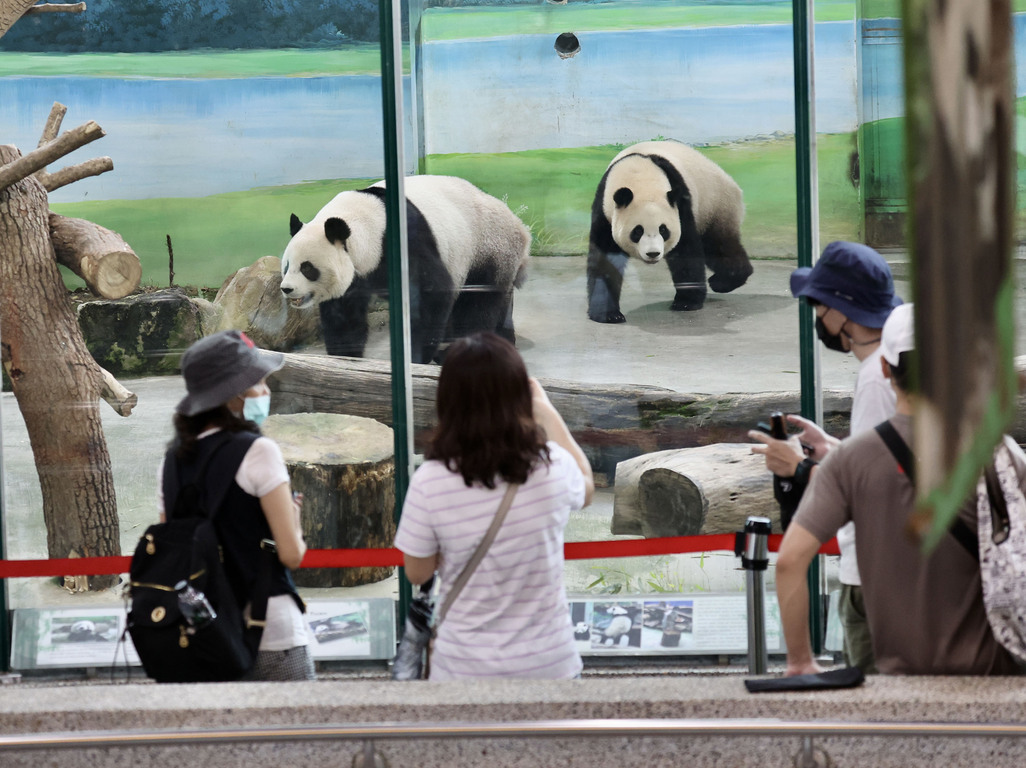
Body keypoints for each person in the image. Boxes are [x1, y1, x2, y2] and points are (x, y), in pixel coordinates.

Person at [776, 304, 1023, 675]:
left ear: (884, 367)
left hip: (896, 684)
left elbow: (789, 561)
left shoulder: (849, 461)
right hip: (990, 678)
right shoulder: (1000, 455)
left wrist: (800, 662)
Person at [394, 331, 595, 680]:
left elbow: (417, 573)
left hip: (464, 668)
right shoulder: (552, 466)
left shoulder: (430, 480)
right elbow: (587, 486)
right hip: (549, 664)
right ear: (520, 395)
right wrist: (547, 412)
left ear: (448, 400)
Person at [749, 240, 902, 673]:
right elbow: (893, 463)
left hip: (873, 579)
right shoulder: (893, 365)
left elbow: (873, 493)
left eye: (817, 305)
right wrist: (836, 451)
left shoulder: (876, 377)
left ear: (841, 310)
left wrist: (799, 469)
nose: (816, 316)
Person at [158, 330, 314, 681]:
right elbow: (291, 555)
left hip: (206, 633)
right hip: (269, 632)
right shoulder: (259, 451)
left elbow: (175, 551)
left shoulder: (171, 462)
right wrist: (295, 522)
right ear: (234, 395)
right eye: (258, 382)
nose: (266, 392)